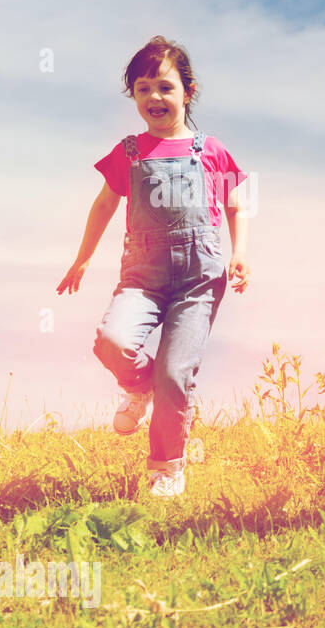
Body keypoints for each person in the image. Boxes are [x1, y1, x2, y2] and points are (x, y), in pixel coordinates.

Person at [56, 36, 251, 498]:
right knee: (111, 341)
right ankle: (137, 386)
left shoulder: (211, 150)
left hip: (198, 278)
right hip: (142, 275)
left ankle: (166, 468)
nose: (154, 98)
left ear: (188, 90)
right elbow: (103, 206)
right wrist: (82, 259)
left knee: (175, 373)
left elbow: (238, 203)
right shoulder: (128, 152)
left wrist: (239, 252)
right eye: (143, 89)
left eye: (164, 87)